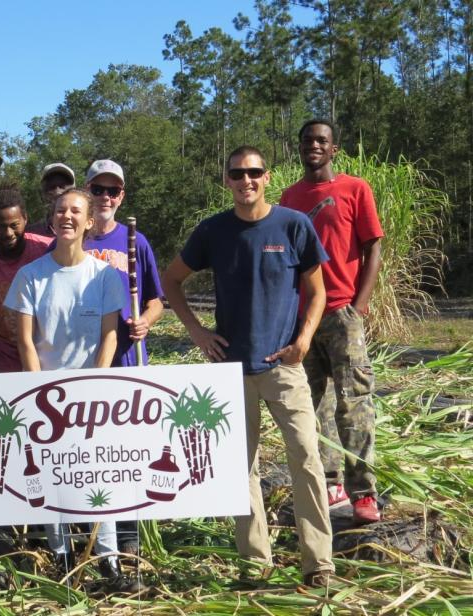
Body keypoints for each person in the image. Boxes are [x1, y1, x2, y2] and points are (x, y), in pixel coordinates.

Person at [161, 145, 335, 587]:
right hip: (231, 370)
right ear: (227, 181)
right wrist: (198, 334)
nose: (246, 181)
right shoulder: (213, 232)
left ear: (267, 176)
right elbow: (171, 281)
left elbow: (317, 293)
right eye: (237, 174)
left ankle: (318, 565)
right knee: (241, 470)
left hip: (283, 367)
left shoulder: (293, 226)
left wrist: (303, 340)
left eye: (254, 173)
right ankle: (255, 565)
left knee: (307, 460)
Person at [4, 188, 142, 593]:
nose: (67, 216)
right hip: (46, 398)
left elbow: (110, 338)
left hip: (93, 399)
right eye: (60, 210)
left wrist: (95, 389)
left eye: (75, 211)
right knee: (53, 480)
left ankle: (108, 564)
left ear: (88, 222)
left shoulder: (103, 277)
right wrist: (37, 390)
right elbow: (26, 341)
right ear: (51, 220)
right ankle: (63, 562)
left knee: (100, 478)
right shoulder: (31, 276)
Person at [281, 119, 383, 524]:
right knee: (312, 404)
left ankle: (364, 492)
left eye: (321, 140)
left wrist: (360, 305)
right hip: (304, 317)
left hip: (342, 313)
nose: (314, 146)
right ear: (300, 147)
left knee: (354, 403)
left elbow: (372, 246)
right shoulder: (289, 197)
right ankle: (329, 482)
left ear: (334, 148)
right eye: (307, 140)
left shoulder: (355, 189)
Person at [84, 159, 164, 555]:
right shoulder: (73, 240)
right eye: (97, 190)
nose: (104, 197)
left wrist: (146, 321)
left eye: (112, 191)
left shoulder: (136, 241)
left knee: (126, 449)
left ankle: (129, 537)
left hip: (128, 359)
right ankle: (91, 534)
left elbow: (156, 300)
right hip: (86, 358)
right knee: (88, 446)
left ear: (122, 196)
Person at [0, 187, 52, 373]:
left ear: (25, 219)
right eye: (0, 226)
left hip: (43, 349)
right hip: (3, 350)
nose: (8, 233)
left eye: (14, 225)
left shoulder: (45, 249)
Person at [25, 162, 76, 238]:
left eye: (62, 186)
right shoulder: (31, 233)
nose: (58, 192)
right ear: (43, 194)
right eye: (51, 187)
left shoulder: (88, 231)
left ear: (75, 192)